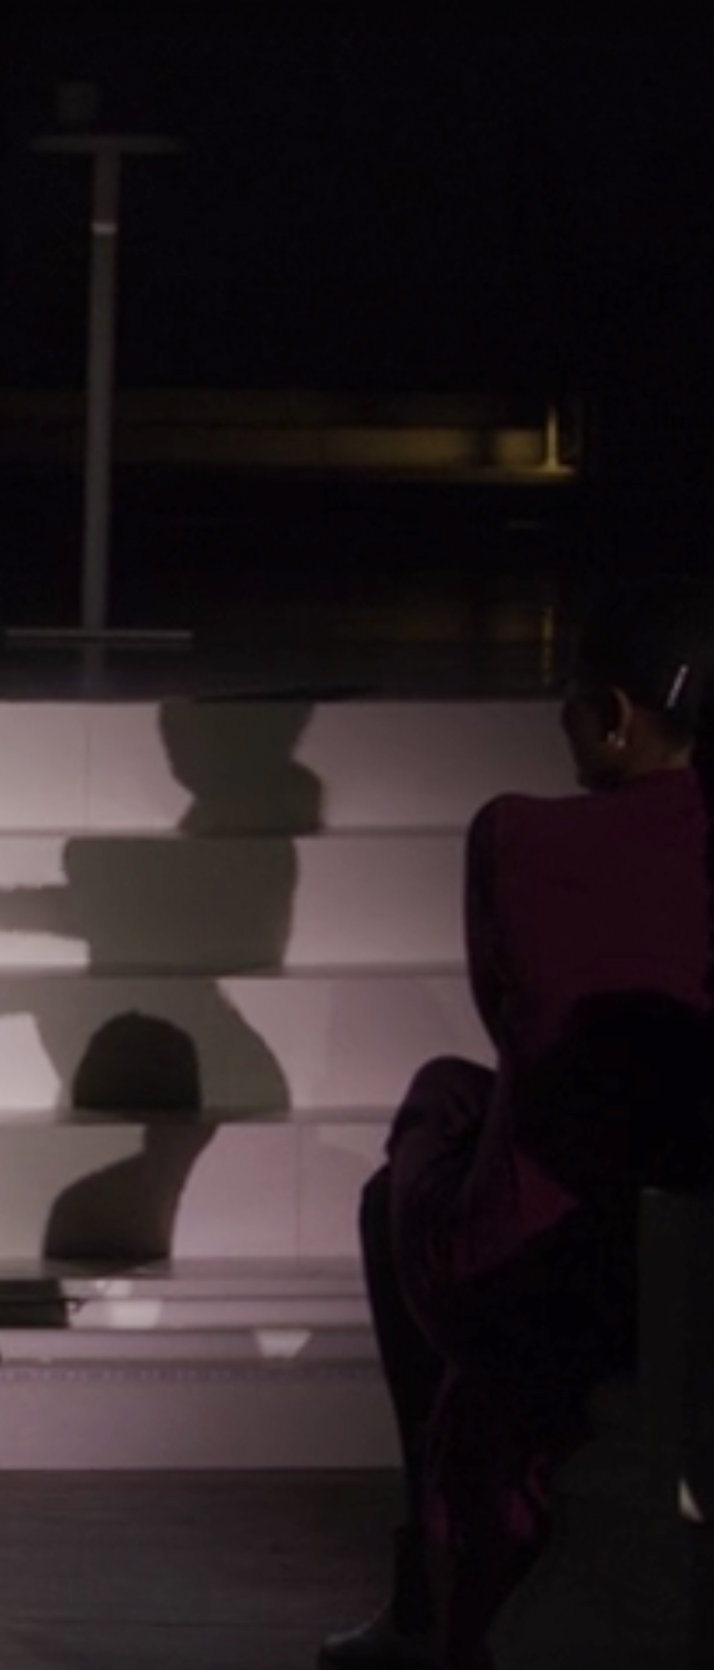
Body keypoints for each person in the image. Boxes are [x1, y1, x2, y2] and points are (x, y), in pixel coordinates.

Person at [323, 588, 714, 1670]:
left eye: (570, 702)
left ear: (614, 716)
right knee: (451, 1107)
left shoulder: (520, 833)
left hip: (543, 1260)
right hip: (671, 1235)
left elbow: (512, 1024)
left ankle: (423, 1578)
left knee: (421, 1136)